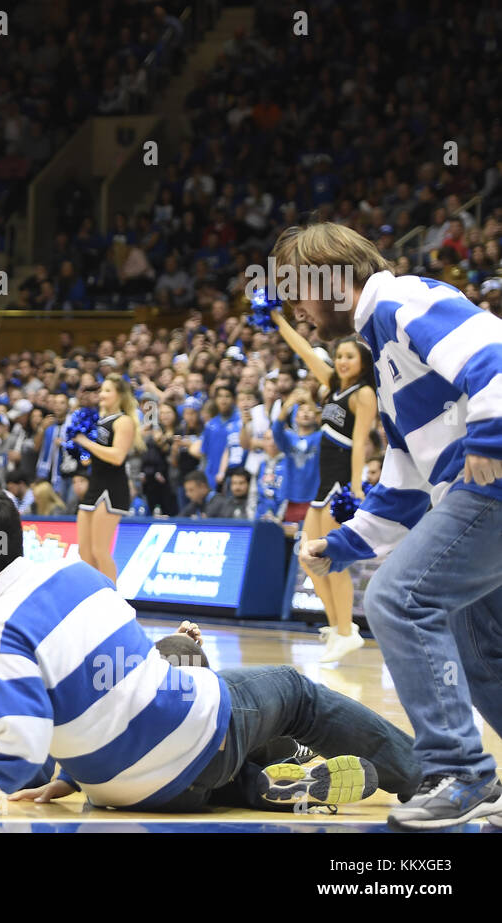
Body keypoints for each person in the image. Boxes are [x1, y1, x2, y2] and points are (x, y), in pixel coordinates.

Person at [0, 486, 420, 813]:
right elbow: (98, 688)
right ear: (19, 535)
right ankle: (426, 776)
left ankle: (263, 782)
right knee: (295, 694)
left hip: (125, 793)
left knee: (210, 724)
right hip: (189, 745)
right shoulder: (82, 577)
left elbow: (19, 752)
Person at [286, 222, 502, 828]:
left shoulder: (405, 298)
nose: (297, 312)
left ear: (326, 279)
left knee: (400, 599)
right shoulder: (382, 349)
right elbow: (406, 472)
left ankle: (461, 771)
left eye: (297, 293)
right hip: (472, 489)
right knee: (481, 649)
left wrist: (491, 432)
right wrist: (350, 542)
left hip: (492, 481)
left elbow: (495, 353)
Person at [274, 310, 378, 663]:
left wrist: (356, 488)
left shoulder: (363, 394)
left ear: (364, 362)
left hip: (339, 485)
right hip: (322, 483)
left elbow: (361, 442)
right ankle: (337, 628)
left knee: (333, 560)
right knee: (309, 559)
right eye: (340, 356)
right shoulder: (334, 386)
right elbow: (305, 351)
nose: (343, 361)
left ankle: (347, 631)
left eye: (350, 356)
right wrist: (279, 321)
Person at [72, 373, 136, 581]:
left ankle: (111, 598)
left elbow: (117, 456)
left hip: (112, 488)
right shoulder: (97, 420)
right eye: (102, 390)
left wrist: (86, 443)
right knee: (84, 552)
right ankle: (91, 596)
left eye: (108, 390)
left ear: (119, 396)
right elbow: (93, 454)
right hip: (95, 484)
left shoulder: (124, 421)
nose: (102, 395)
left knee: (100, 550)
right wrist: (78, 450)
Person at [271, 387, 322, 525]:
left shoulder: (320, 437)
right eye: (301, 410)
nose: (306, 413)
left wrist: (310, 401)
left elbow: (326, 426)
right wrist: (288, 404)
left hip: (314, 498)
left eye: (310, 410)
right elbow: (276, 429)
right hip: (291, 499)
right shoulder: (288, 438)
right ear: (294, 416)